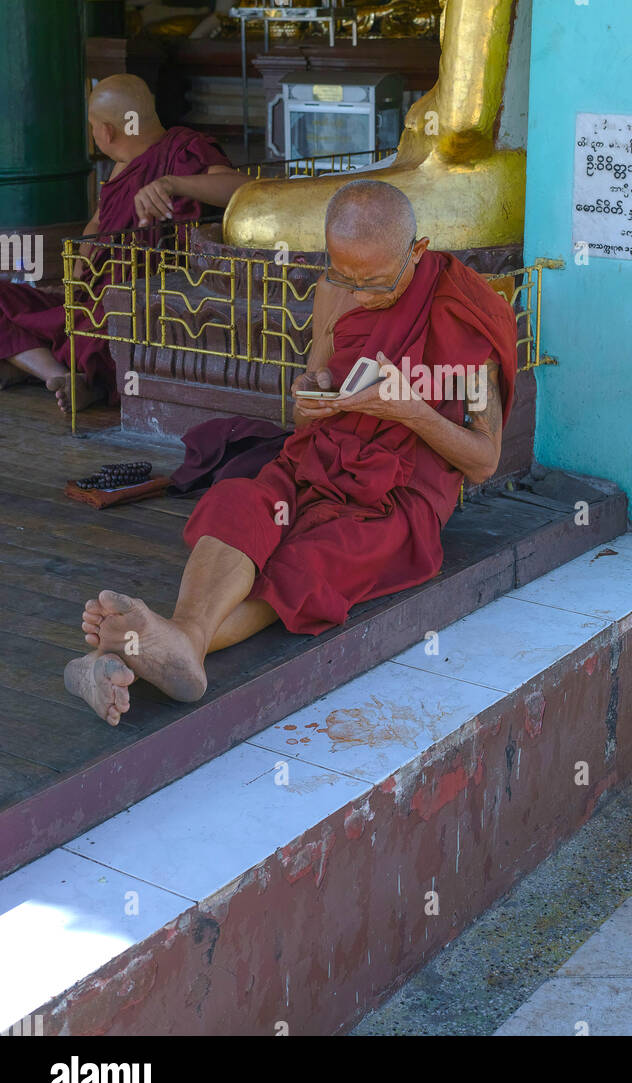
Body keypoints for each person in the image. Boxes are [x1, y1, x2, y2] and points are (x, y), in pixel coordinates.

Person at [64, 179, 518, 725]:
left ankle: (122, 652)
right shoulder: (338, 287)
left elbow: (484, 460)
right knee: (238, 504)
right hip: (316, 458)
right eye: (342, 274)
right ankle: (176, 644)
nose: (358, 294)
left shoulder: (463, 311)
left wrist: (410, 411)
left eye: (373, 283)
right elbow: (311, 386)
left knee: (313, 557)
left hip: (399, 495)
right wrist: (312, 400)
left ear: (416, 252)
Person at [0, 74, 246, 413]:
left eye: (91, 125)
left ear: (106, 131)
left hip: (136, 303)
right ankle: (62, 376)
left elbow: (242, 189)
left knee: (105, 339)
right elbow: (100, 221)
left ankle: (40, 367)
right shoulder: (119, 167)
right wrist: (76, 278)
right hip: (89, 300)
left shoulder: (184, 149)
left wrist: (175, 183)